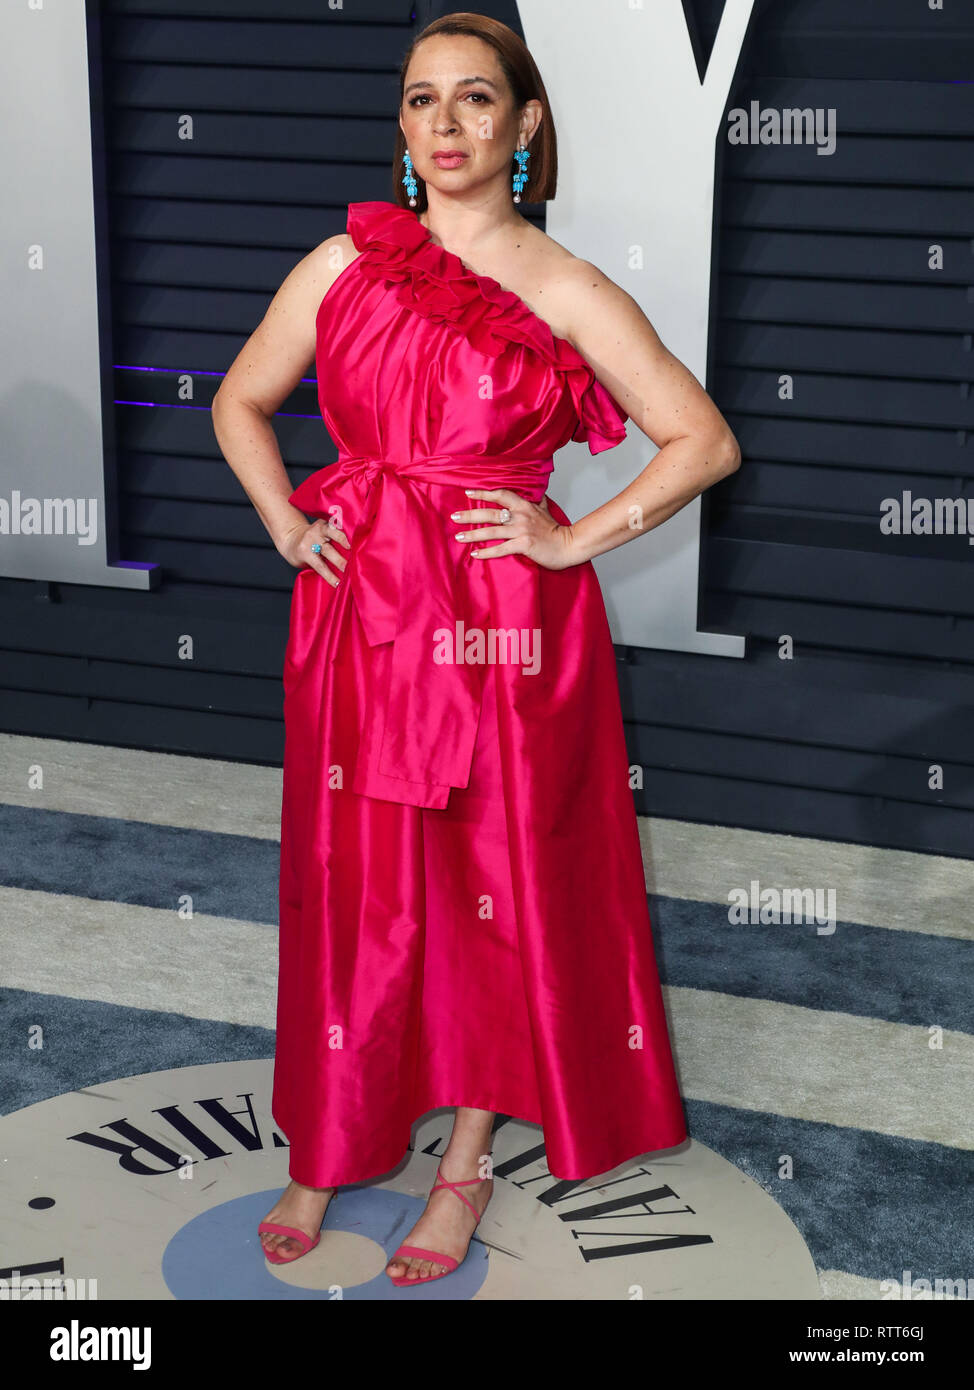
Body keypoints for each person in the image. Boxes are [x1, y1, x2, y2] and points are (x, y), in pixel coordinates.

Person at [211, 11, 740, 1289]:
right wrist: (290, 520)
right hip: (359, 616)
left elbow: (701, 438)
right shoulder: (341, 264)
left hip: (500, 631)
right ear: (400, 125)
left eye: (473, 100)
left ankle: (463, 1161)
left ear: (524, 121)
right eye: (419, 101)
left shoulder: (560, 287)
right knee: (357, 878)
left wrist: (571, 543)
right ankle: (329, 1142)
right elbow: (239, 398)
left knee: (488, 884)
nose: (443, 126)